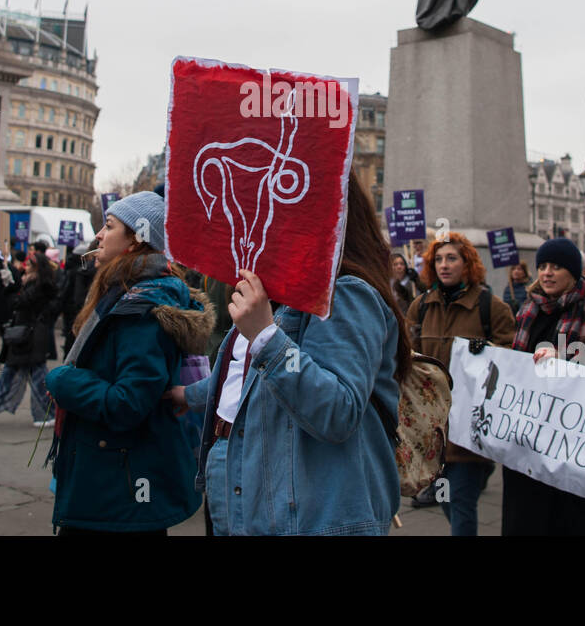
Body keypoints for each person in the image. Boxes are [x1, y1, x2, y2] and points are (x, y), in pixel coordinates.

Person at [173, 176, 409, 536]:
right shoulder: (277, 294)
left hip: (317, 517)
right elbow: (241, 381)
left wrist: (266, 336)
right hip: (254, 499)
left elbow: (338, 408)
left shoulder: (345, 292)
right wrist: (185, 396)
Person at [45, 192, 211, 535]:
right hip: (114, 484)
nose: (99, 235)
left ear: (136, 240)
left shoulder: (141, 307)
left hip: (119, 494)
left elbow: (129, 402)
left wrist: (63, 381)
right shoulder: (124, 293)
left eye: (108, 226)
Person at [500, 237, 585, 536]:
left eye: (556, 266)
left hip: (575, 446)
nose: (547, 273)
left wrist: (568, 360)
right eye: (543, 266)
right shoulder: (526, 313)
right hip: (530, 444)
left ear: (573, 272)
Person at [405, 232, 516, 535]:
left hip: (469, 425)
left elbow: (511, 358)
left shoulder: (491, 307)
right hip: (432, 426)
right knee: (445, 499)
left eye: (452, 258)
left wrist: (490, 350)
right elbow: (406, 353)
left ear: (467, 263)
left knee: (462, 501)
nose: (444, 265)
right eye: (438, 259)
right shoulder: (422, 306)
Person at [0, 249, 59, 427]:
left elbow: (19, 303)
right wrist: (11, 284)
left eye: (29, 265)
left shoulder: (40, 286)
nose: (25, 267)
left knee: (31, 378)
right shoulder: (33, 283)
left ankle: (46, 414)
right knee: (18, 376)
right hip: (26, 337)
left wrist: (10, 286)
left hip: (30, 337)